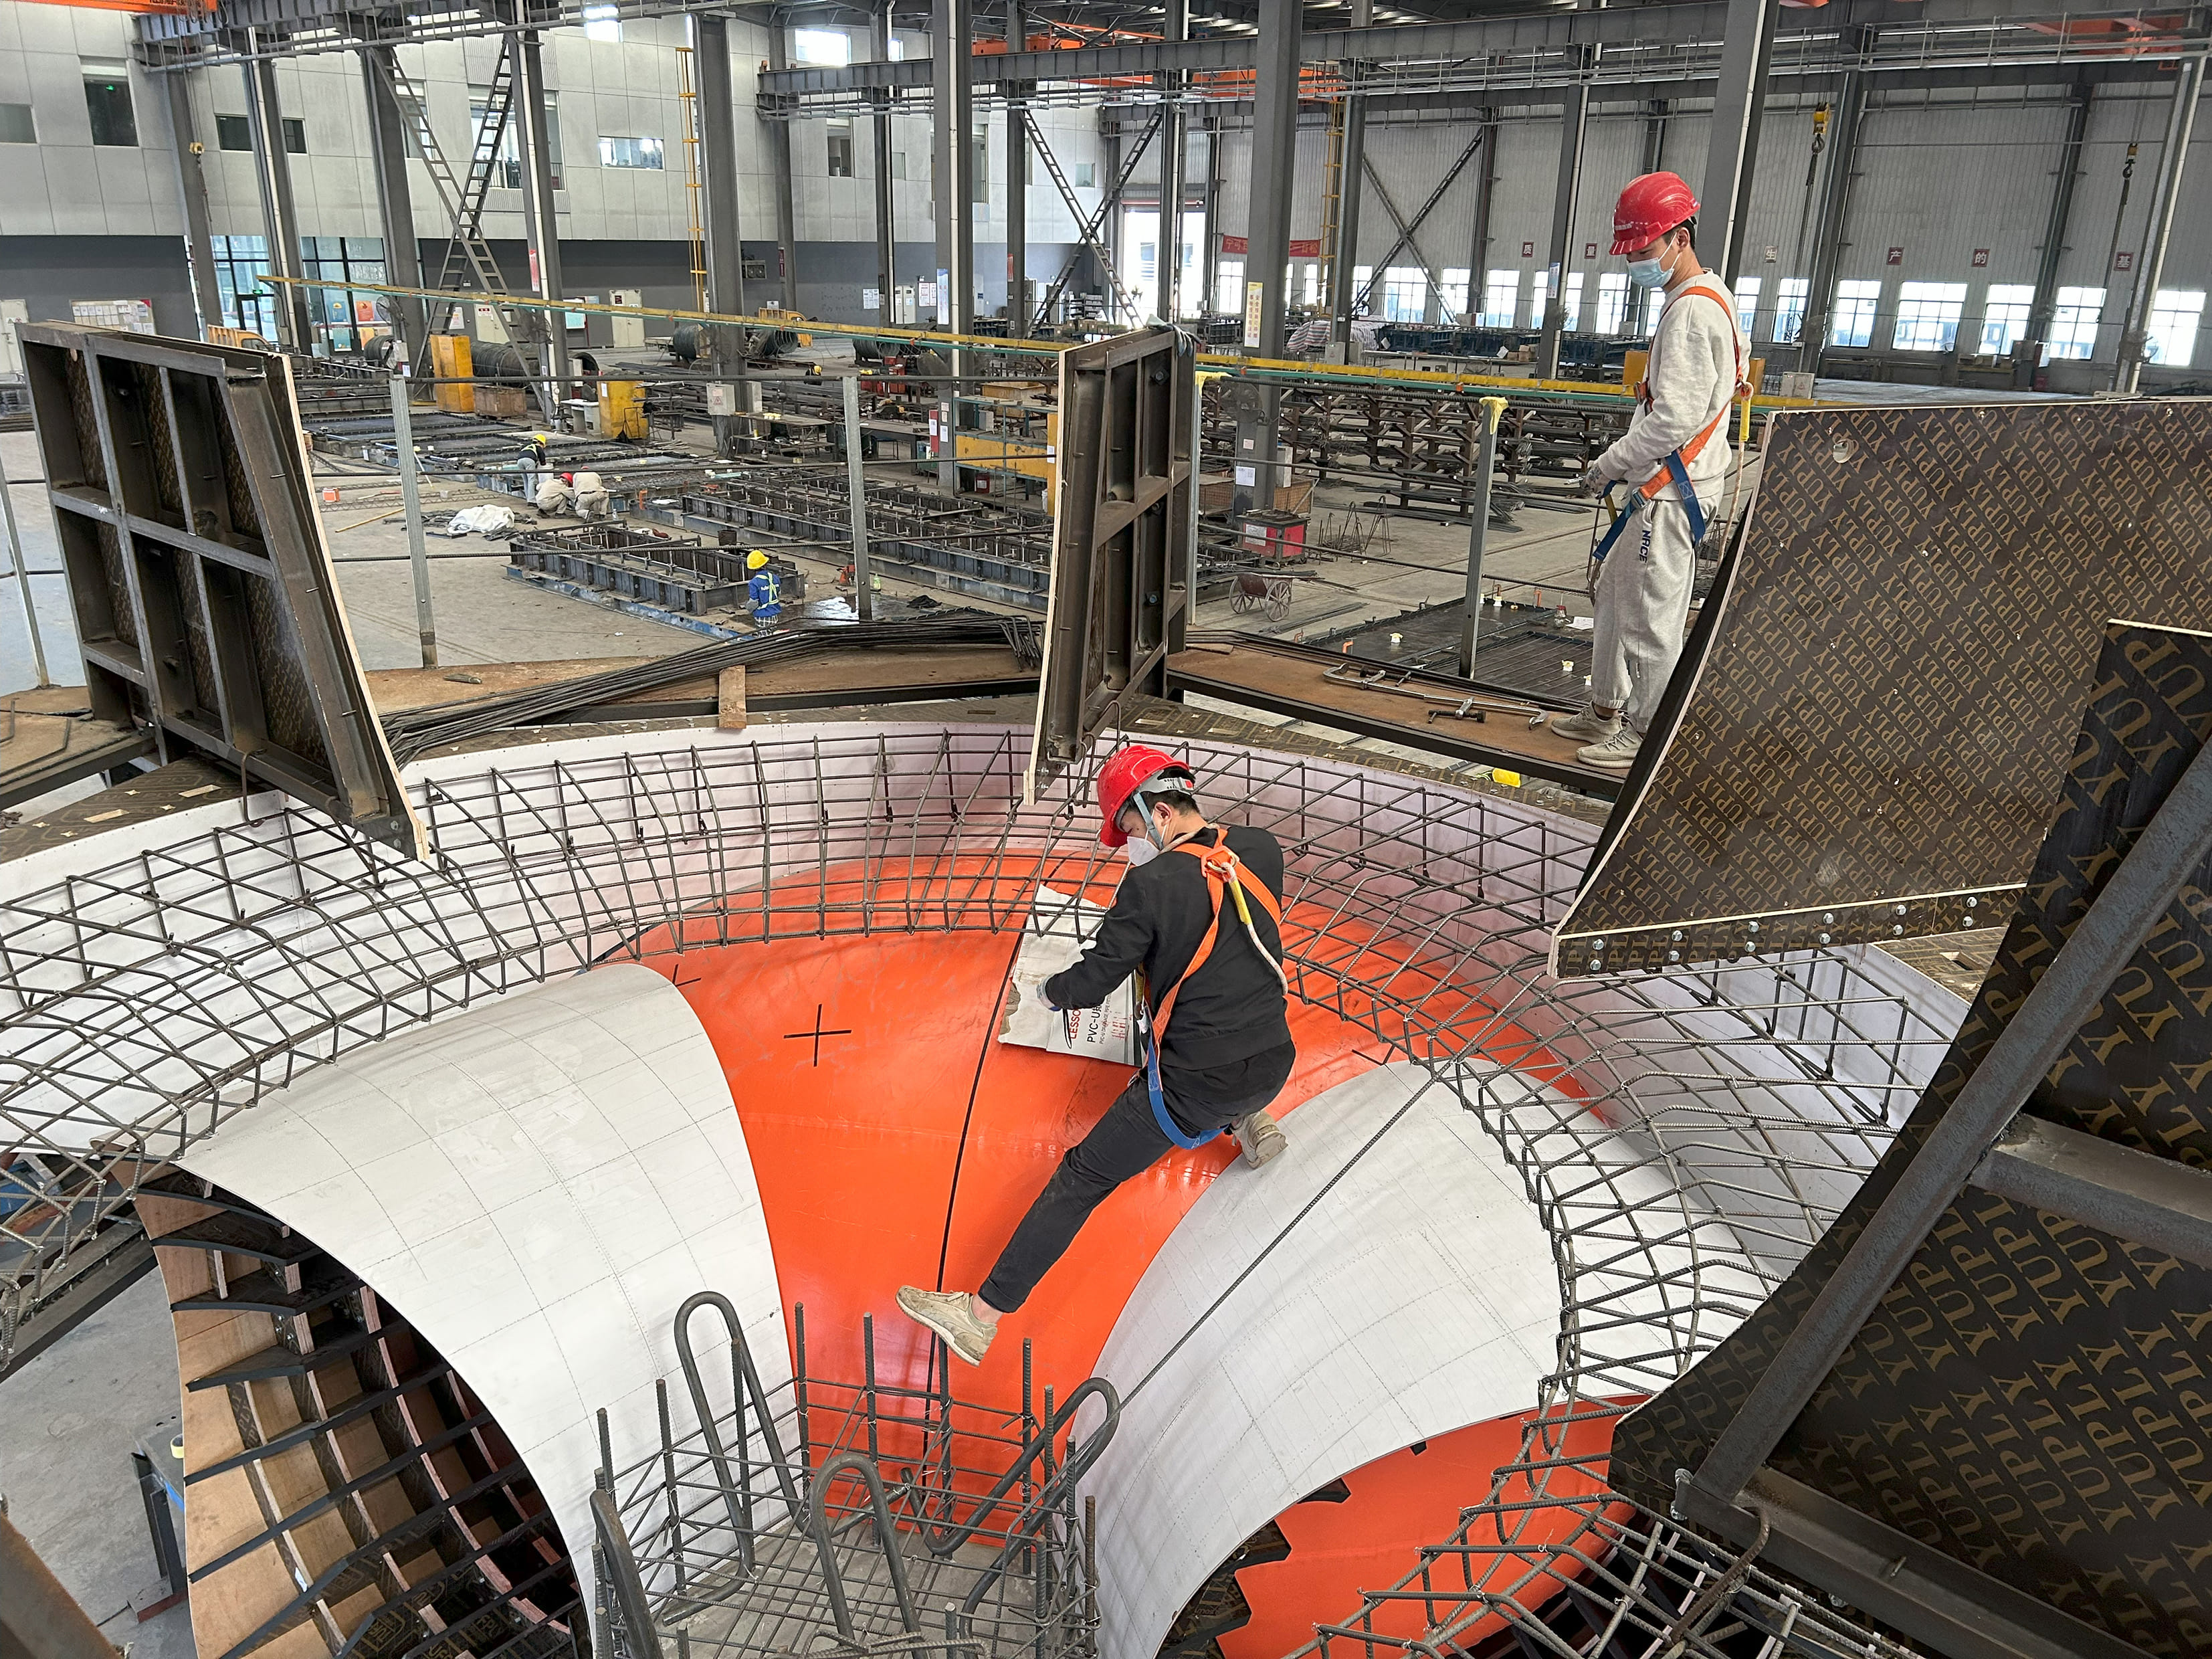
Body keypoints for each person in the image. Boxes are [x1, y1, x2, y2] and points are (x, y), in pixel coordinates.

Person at [897, 746, 1297, 1365]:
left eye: (1132, 828)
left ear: (1158, 811)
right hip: (1274, 1061)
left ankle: (979, 1318)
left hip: (1197, 1088)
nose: (1130, 843)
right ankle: (1251, 1120)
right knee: (1195, 1010)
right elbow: (1226, 944)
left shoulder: (1151, 884)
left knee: (1082, 1178)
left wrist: (1048, 991)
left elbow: (1092, 982)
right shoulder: (1260, 848)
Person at [1552, 171, 1748, 773]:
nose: (1637, 263)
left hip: (1670, 493)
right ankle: (1605, 706)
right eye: (1631, 254)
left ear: (1680, 238)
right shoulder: (1707, 296)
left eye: (1644, 251)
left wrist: (1606, 466)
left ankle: (1643, 732)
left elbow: (1671, 422)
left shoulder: (1691, 313)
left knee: (1650, 619)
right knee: (1615, 596)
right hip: (1664, 486)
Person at [746, 551, 783, 625]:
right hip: (775, 615)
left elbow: (754, 602)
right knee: (774, 636)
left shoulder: (754, 582)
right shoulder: (775, 578)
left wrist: (748, 608)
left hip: (762, 616)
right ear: (765, 564)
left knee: (765, 637)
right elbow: (778, 594)